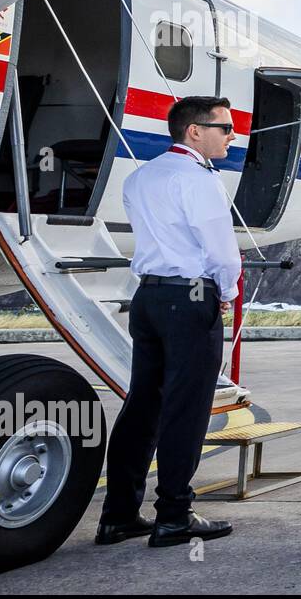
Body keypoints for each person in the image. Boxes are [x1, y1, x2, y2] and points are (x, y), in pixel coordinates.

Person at [97, 96, 240, 548]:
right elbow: (220, 249)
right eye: (225, 127)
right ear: (194, 131)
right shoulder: (200, 180)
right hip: (190, 299)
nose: (232, 136)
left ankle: (118, 514)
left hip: (150, 298)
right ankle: (174, 514)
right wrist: (229, 293)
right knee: (186, 409)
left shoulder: (141, 177)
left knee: (143, 404)